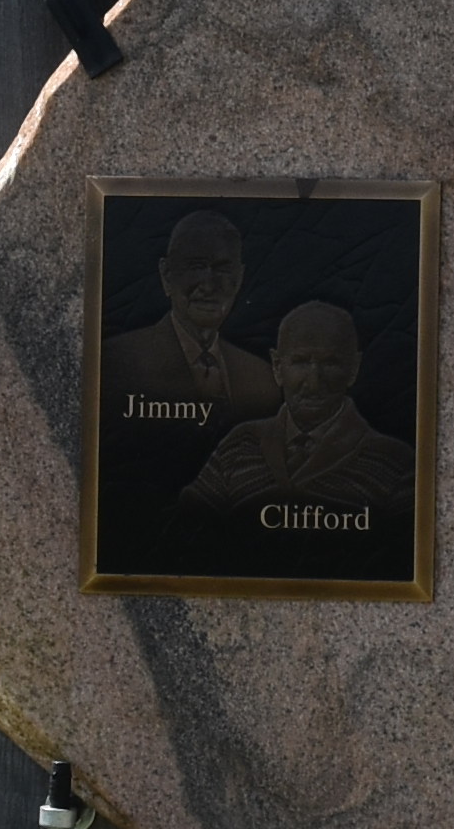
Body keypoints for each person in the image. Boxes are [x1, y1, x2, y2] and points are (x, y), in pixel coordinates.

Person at [178, 300, 410, 565]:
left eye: (330, 363)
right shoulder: (239, 445)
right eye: (300, 362)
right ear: (277, 366)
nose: (314, 382)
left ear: (353, 368)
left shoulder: (396, 466)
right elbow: (184, 540)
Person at [98, 210, 281, 432]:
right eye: (195, 267)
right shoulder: (116, 363)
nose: (209, 286)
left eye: (223, 269)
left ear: (240, 277)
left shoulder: (262, 379)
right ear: (166, 275)